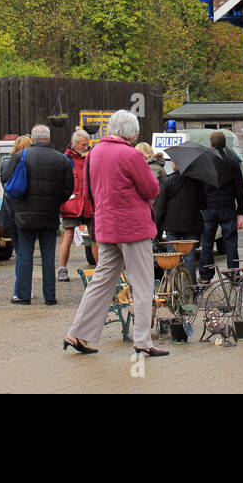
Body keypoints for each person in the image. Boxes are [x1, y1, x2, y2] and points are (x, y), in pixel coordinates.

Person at [64, 110, 165, 357]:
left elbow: (87, 190)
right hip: (133, 228)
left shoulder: (95, 152)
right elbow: (151, 189)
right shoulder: (131, 155)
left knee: (101, 281)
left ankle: (77, 333)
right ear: (131, 133)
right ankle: (142, 340)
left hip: (106, 226)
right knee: (141, 284)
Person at [1, 124, 73, 306]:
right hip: (50, 214)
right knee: (48, 257)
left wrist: (20, 202)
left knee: (25, 255)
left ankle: (23, 295)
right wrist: (55, 202)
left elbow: (6, 180)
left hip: (25, 215)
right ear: (49, 138)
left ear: (32, 139)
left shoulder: (20, 157)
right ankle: (50, 296)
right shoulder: (62, 160)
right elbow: (68, 189)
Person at [197, 132, 243, 283]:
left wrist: (199, 205)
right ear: (225, 145)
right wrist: (241, 210)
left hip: (208, 207)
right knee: (230, 241)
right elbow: (239, 188)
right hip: (227, 207)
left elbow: (198, 186)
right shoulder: (232, 163)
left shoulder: (204, 162)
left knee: (207, 242)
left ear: (211, 144)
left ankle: (205, 275)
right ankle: (233, 274)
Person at [153, 148, 204, 281]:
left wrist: (157, 231)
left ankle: (172, 287)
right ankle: (191, 288)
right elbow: (203, 204)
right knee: (190, 256)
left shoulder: (169, 181)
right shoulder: (197, 182)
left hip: (171, 225)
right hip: (191, 225)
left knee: (171, 256)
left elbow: (161, 207)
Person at [57, 130, 94, 281]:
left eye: (87, 144)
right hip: (71, 203)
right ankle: (62, 268)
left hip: (89, 203)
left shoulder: (91, 157)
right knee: (68, 234)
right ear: (75, 144)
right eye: (84, 144)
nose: (87, 147)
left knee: (94, 236)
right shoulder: (65, 159)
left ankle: (100, 269)